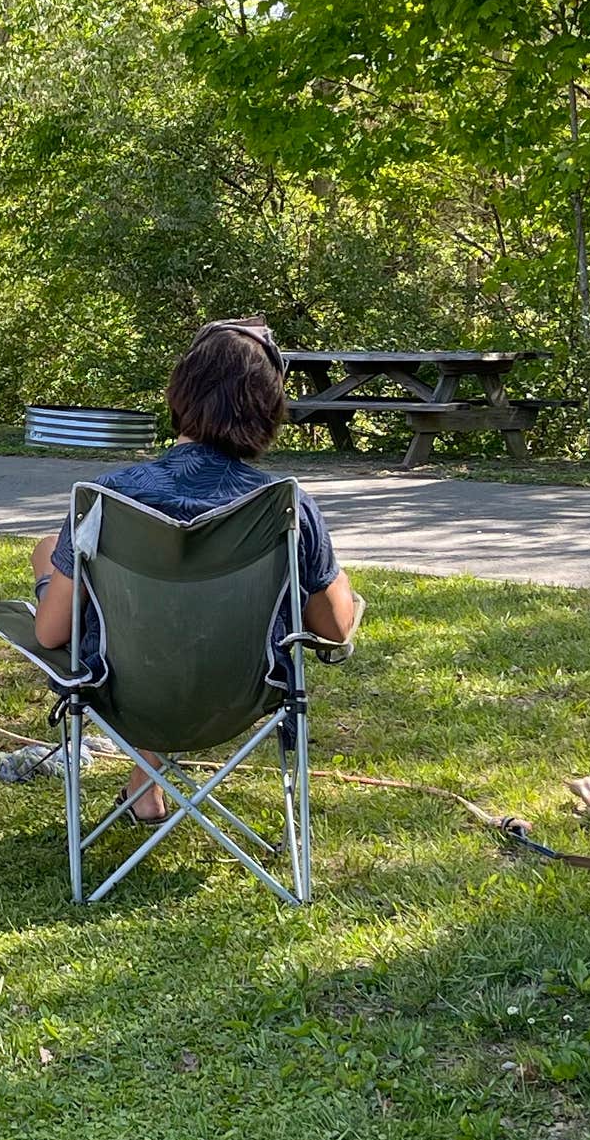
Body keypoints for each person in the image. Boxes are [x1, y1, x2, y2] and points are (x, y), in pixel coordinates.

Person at [29, 320, 360, 819]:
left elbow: (52, 634)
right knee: (186, 624)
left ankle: (146, 785)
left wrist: (45, 576)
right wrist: (335, 576)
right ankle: (146, 789)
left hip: (123, 690)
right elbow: (334, 631)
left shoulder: (105, 498)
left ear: (180, 392)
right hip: (242, 695)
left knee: (54, 555)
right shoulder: (285, 505)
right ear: (269, 408)